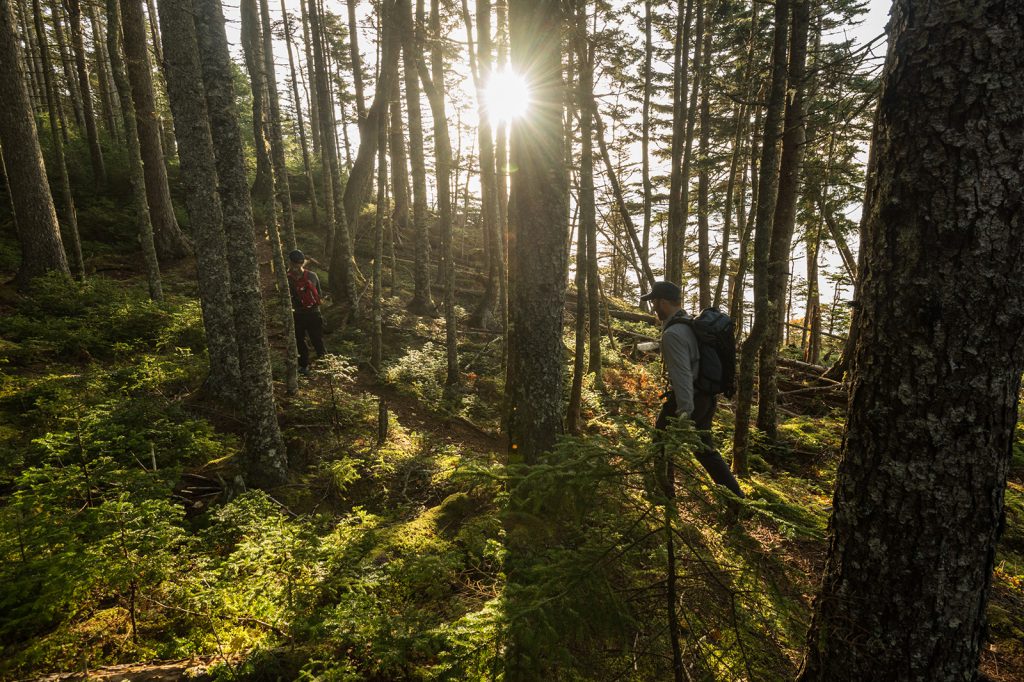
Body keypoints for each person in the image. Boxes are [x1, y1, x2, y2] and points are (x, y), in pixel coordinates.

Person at [641, 281, 745, 499]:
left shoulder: (673, 334)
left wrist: (684, 414)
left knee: (660, 442)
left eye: (654, 303)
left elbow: (682, 376)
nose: (653, 308)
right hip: (707, 398)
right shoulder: (691, 324)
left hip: (691, 399)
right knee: (705, 451)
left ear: (662, 302)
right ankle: (737, 501)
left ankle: (664, 498)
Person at [287, 250, 326, 374]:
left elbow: (285, 297)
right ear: (303, 262)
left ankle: (304, 366)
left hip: (298, 314)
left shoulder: (287, 278)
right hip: (314, 313)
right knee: (317, 339)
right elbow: (319, 294)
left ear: (290, 262)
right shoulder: (312, 275)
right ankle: (327, 365)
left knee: (300, 341)